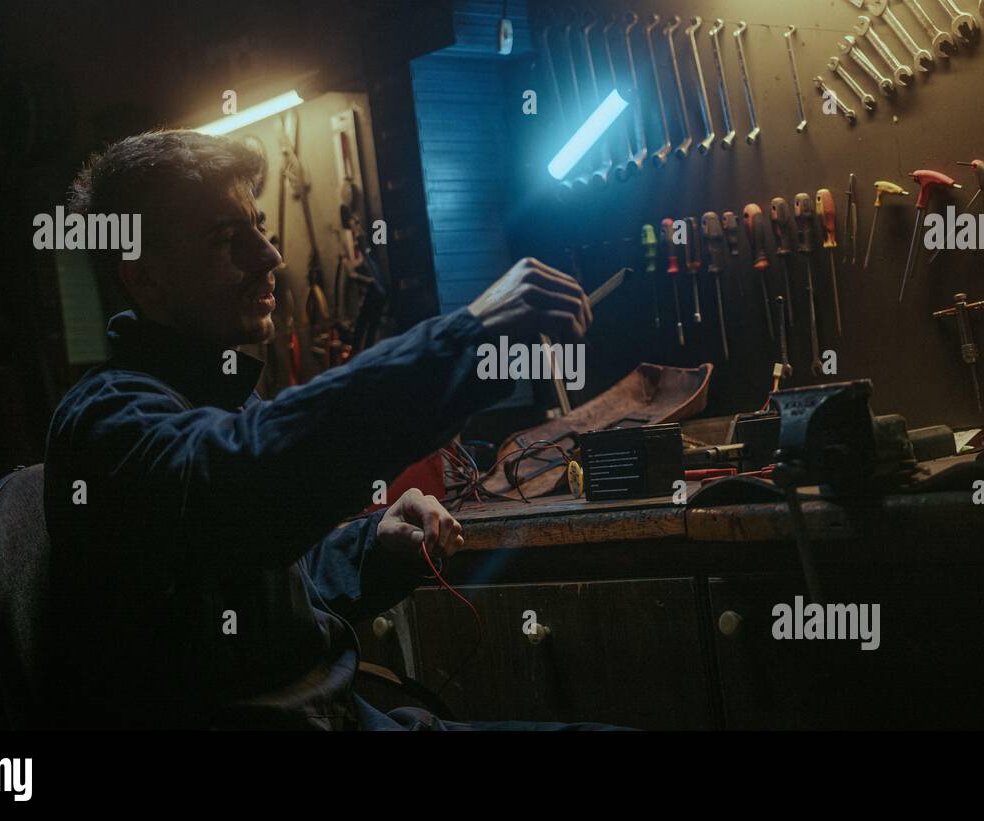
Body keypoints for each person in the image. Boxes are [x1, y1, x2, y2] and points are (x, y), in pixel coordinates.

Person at [43, 130, 603, 729]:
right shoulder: (109, 423)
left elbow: (261, 576)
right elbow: (243, 483)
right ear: (144, 279)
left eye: (259, 226)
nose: (269, 257)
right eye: (227, 239)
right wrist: (462, 334)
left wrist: (373, 547)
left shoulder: (210, 397)